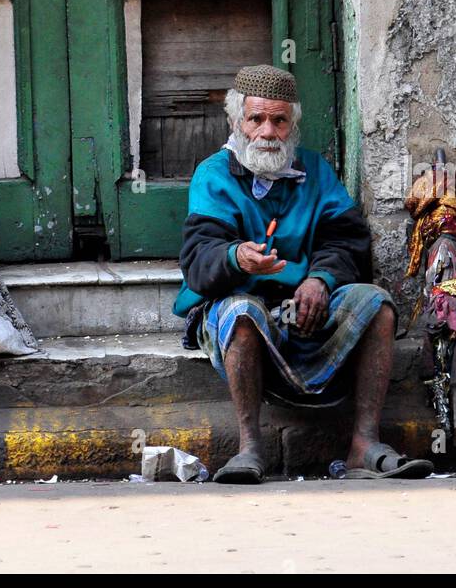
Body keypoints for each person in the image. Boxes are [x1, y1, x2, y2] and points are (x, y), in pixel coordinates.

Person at [173, 64, 434, 483]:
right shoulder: (213, 175)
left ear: (292, 125)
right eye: (256, 119)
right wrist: (237, 257)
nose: (268, 132)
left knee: (377, 305)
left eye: (279, 120)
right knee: (243, 312)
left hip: (307, 304)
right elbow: (200, 257)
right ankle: (249, 447)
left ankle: (363, 445)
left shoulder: (314, 170)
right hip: (237, 306)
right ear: (238, 122)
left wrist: (320, 280)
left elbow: (347, 240)